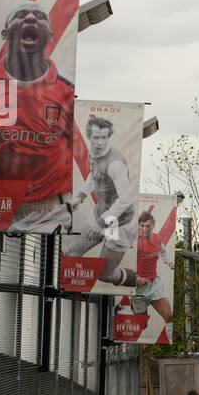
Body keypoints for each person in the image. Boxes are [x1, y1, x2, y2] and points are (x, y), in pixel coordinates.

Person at [0, 0, 75, 231]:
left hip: (50, 208)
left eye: (39, 15)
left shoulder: (69, 91)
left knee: (48, 267)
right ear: (6, 33)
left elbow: (78, 154)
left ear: (51, 35)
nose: (31, 19)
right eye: (21, 15)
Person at [64, 116, 137, 287]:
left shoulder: (115, 164)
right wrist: (80, 198)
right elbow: (94, 174)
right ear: (89, 136)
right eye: (96, 137)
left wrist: (101, 223)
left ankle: (137, 279)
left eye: (104, 137)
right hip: (101, 213)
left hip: (119, 224)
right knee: (69, 252)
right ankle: (68, 293)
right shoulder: (95, 154)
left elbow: (126, 199)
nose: (100, 142)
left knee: (104, 275)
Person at [128, 212, 174, 322]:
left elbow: (163, 252)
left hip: (154, 284)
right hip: (138, 287)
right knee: (142, 325)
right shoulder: (134, 241)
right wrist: (137, 279)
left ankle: (170, 338)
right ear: (139, 225)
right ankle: (127, 309)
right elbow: (126, 262)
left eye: (147, 226)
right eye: (142, 226)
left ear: (153, 226)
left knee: (169, 317)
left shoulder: (157, 239)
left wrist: (170, 262)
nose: (145, 229)